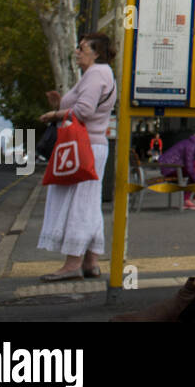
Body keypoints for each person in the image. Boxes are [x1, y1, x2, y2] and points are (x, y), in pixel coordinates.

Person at [37, 33, 117, 281]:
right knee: (89, 202)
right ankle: (90, 262)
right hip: (91, 146)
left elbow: (83, 111)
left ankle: (72, 264)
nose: (77, 51)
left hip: (85, 148)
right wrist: (60, 103)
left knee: (78, 203)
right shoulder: (99, 74)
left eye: (82, 48)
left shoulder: (96, 74)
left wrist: (54, 114)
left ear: (96, 52)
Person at [157, 130, 195, 209]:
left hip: (174, 166)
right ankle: (188, 199)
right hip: (170, 167)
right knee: (194, 170)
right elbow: (189, 167)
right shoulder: (191, 147)